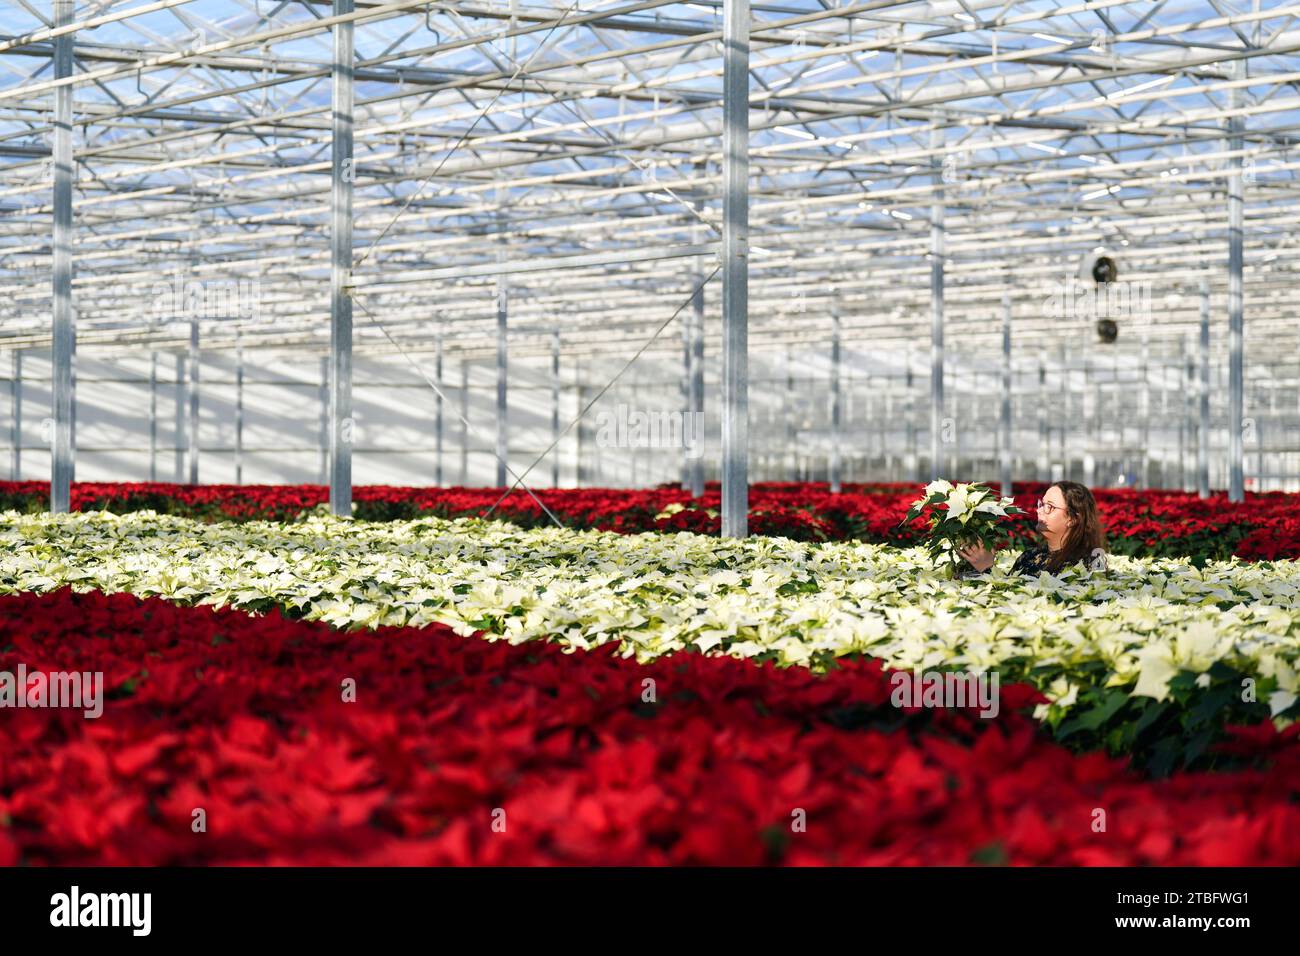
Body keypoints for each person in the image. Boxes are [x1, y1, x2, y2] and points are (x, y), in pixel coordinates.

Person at [957, 480, 1108, 577]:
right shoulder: (1029, 556)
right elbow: (1012, 592)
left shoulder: (1093, 560)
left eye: (1050, 507)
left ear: (1073, 519)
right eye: (1041, 504)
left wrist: (987, 568)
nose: (1039, 510)